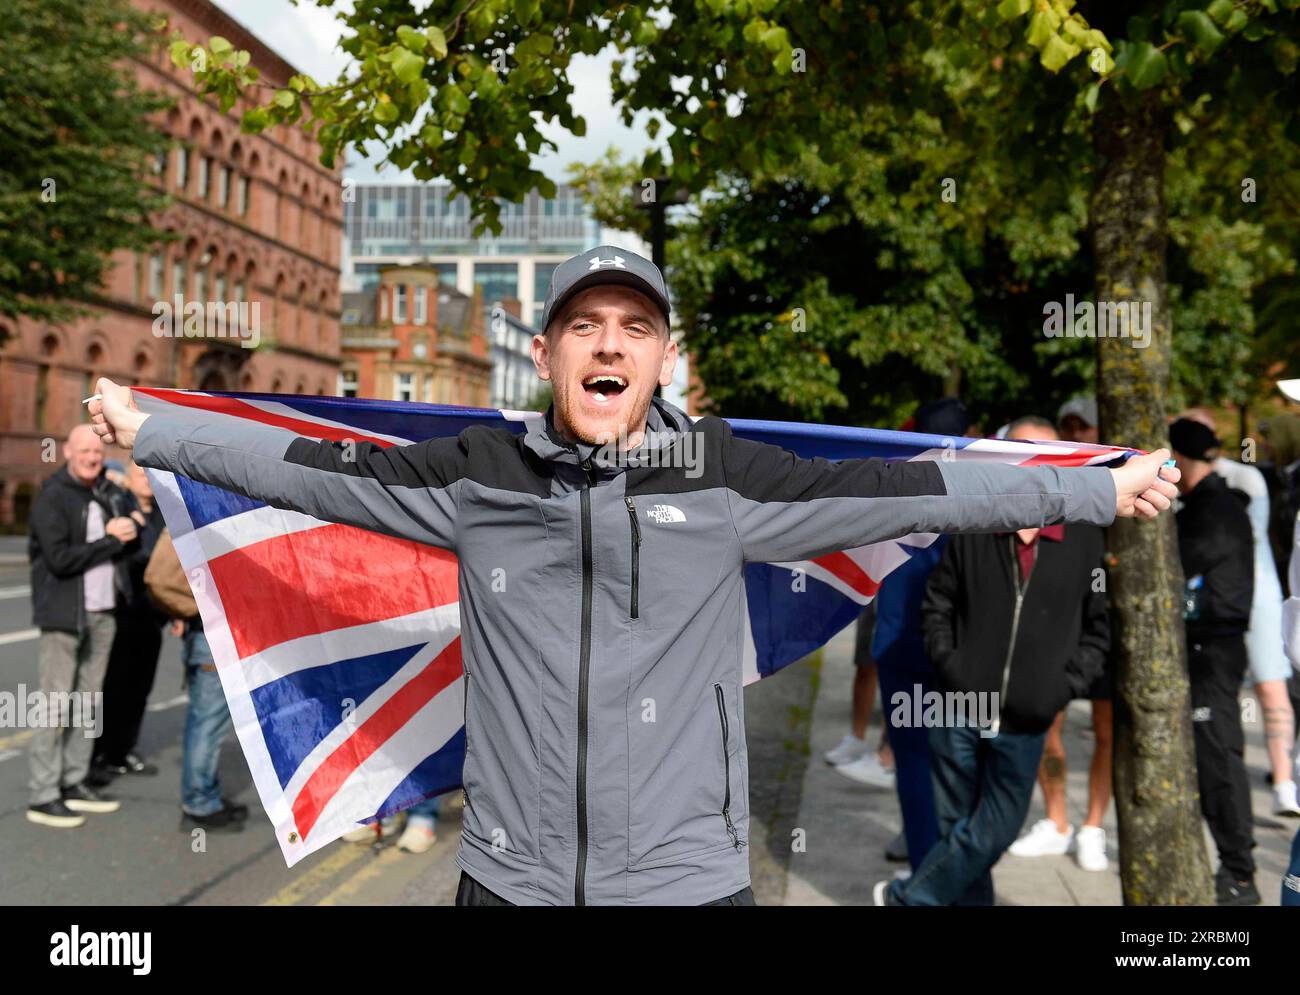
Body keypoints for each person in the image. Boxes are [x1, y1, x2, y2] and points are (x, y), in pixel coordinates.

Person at [90, 245, 1181, 906]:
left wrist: (1089, 488)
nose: (607, 344)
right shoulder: (480, 474)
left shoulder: (722, 475)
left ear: (663, 358)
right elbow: (315, 470)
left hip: (683, 889)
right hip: (508, 882)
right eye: (583, 325)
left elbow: (922, 486)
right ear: (550, 352)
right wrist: (160, 426)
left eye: (634, 327)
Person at [874, 415, 1110, 906]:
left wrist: (1060, 688)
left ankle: (907, 899)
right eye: (1025, 450)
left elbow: (1097, 627)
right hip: (960, 706)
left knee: (995, 831)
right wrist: (952, 667)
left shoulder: (1083, 537)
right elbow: (938, 602)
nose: (1038, 462)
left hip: (1028, 717)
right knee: (953, 828)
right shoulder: (979, 522)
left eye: (1049, 452)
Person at [1011, 398, 1115, 871]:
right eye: (1070, 425)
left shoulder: (1118, 467)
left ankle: (1093, 826)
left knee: (1106, 731)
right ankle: (1057, 821)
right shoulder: (1035, 484)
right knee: (1045, 725)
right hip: (1057, 617)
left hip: (1108, 618)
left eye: (1083, 427)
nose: (1080, 434)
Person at [1180, 408, 1298, 816]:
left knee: (1270, 686)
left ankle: (1284, 780)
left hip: (1258, 591)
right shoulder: (1191, 477)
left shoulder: (1243, 477)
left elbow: (1249, 537)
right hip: (1217, 597)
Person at [26, 424, 137, 827]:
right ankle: (43, 793)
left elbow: (129, 536)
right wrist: (111, 539)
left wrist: (131, 527)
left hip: (104, 612)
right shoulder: (53, 498)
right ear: (68, 452)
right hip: (64, 615)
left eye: (97, 451)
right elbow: (59, 560)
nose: (93, 457)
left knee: (88, 703)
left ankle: (74, 781)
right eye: (85, 450)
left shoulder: (105, 493)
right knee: (55, 705)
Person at [1169, 417, 1259, 905]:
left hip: (1213, 652)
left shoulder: (1215, 511)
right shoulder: (1209, 506)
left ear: (1180, 459)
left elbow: (1178, 564)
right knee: (1210, 756)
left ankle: (1240, 873)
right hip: (1206, 648)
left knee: (1218, 755)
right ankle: (1233, 865)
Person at [144, 529, 248, 832]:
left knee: (204, 722)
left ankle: (205, 793)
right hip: (214, 635)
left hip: (204, 634)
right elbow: (159, 579)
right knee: (208, 724)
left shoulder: (200, 508)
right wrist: (194, 606)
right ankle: (200, 804)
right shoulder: (208, 511)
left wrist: (187, 608)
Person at [93, 462, 167, 780]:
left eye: (150, 475)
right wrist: (118, 482)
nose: (147, 481)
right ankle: (100, 753)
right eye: (140, 474)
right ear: (128, 478)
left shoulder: (162, 514)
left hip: (153, 614)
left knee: (140, 688)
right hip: (124, 610)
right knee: (113, 687)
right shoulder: (120, 503)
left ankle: (123, 750)